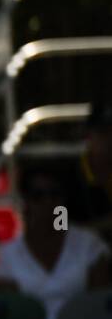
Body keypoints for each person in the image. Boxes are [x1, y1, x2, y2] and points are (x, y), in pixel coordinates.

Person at [0, 166, 111, 319]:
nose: (47, 201)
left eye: (54, 194)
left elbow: (101, 307)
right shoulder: (10, 253)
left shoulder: (88, 244)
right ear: (27, 201)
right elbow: (11, 314)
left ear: (64, 199)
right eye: (38, 195)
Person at [72, 100, 112, 247]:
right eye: (103, 133)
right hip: (83, 262)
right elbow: (59, 227)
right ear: (88, 135)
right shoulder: (64, 181)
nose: (110, 139)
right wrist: (101, 226)